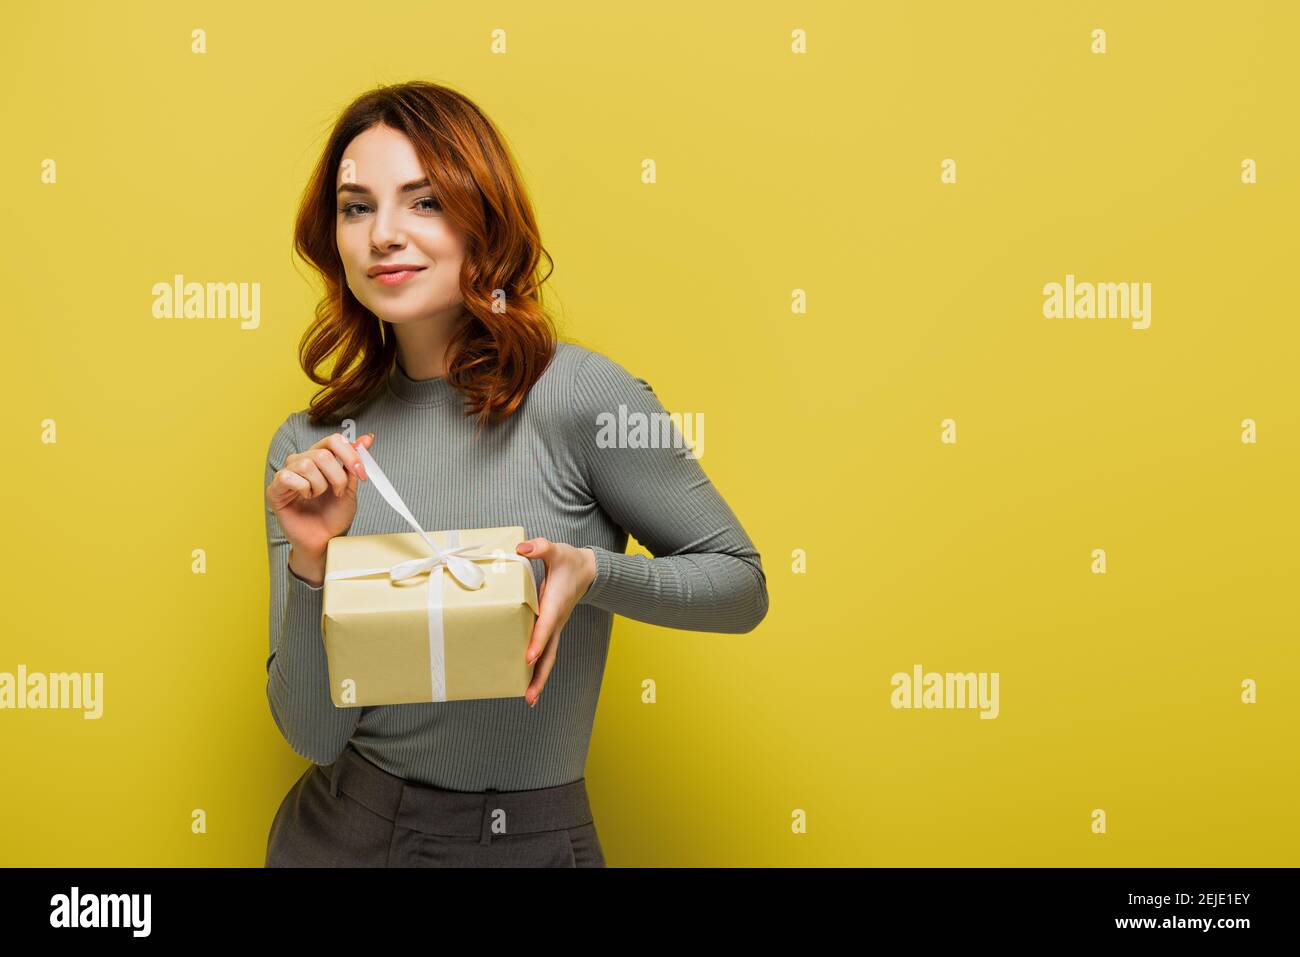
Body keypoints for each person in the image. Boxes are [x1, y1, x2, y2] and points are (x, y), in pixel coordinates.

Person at [262, 80, 768, 867]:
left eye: (423, 201)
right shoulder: (314, 449)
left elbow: (742, 587)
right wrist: (311, 561)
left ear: (482, 216)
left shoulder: (582, 398)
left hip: (528, 838)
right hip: (346, 834)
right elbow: (311, 733)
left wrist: (593, 572)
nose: (383, 235)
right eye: (357, 207)